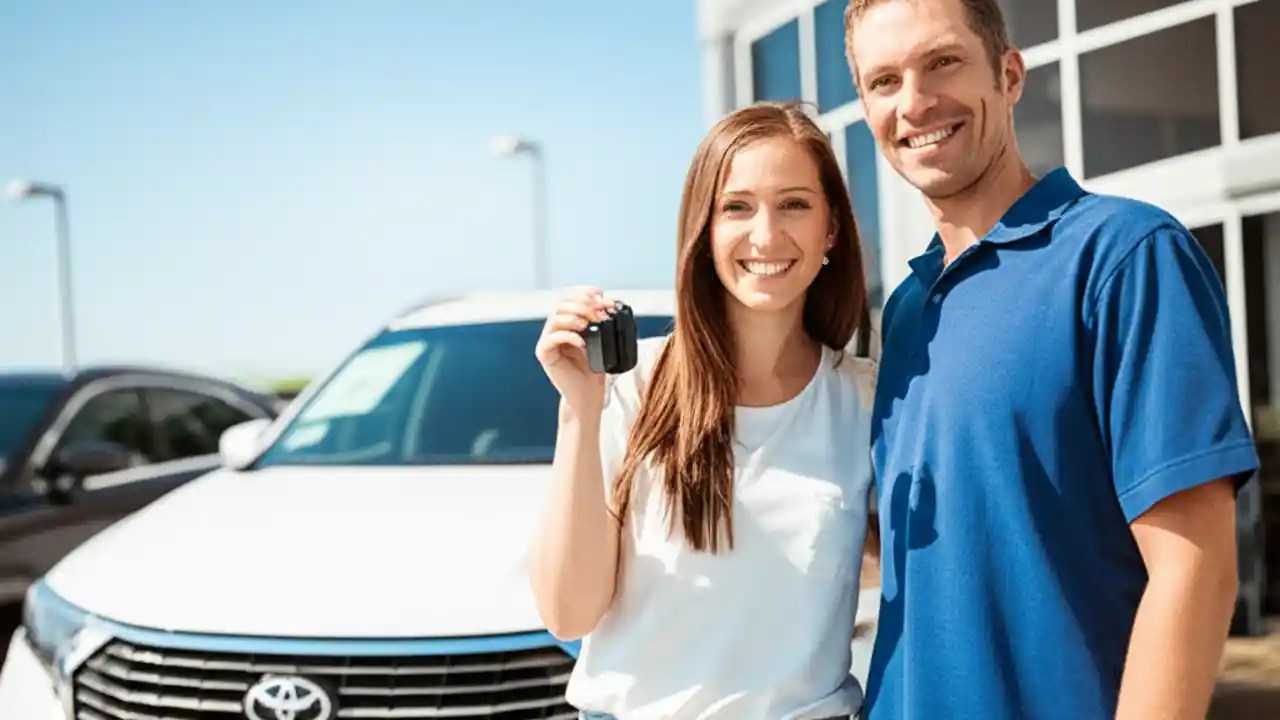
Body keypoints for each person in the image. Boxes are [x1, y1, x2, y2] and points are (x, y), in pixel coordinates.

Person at [841, 1, 1261, 718]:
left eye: (942, 62)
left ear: (1008, 75)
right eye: (884, 80)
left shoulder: (1125, 256)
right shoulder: (909, 310)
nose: (914, 103)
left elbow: (1195, 567)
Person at [529, 101, 878, 720]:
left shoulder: (867, 401)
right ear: (703, 229)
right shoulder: (627, 386)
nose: (765, 235)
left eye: (794, 204)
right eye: (737, 207)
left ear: (831, 230)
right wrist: (578, 412)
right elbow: (568, 613)